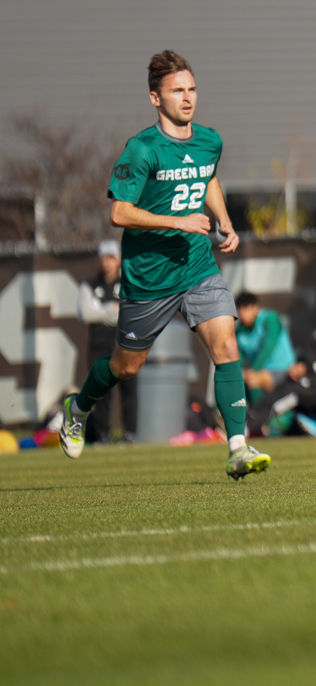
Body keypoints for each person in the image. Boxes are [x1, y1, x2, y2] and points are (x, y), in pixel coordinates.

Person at [58, 50, 269, 479]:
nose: (187, 98)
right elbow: (119, 212)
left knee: (226, 345)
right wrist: (178, 221)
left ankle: (238, 448)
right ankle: (78, 407)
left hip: (196, 265)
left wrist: (225, 222)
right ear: (156, 98)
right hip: (149, 277)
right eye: (177, 91)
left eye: (192, 89)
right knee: (126, 366)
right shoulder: (141, 149)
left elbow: (206, 175)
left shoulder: (210, 140)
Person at [75, 239, 134, 443]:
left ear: (119, 260)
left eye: (112, 258)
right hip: (99, 346)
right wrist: (112, 309)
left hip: (125, 343)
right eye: (104, 258)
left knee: (130, 389)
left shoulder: (127, 282)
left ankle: (131, 433)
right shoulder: (90, 285)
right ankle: (102, 435)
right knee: (100, 392)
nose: (108, 263)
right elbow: (85, 313)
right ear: (98, 260)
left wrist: (102, 311)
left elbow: (132, 311)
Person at [233, 291, 297, 431]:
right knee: (237, 381)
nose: (243, 314)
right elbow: (238, 359)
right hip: (258, 371)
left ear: (256, 308)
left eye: (247, 308)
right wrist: (237, 375)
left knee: (254, 380)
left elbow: (268, 346)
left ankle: (260, 420)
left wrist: (252, 371)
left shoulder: (270, 318)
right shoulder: (240, 332)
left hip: (282, 369)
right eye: (241, 309)